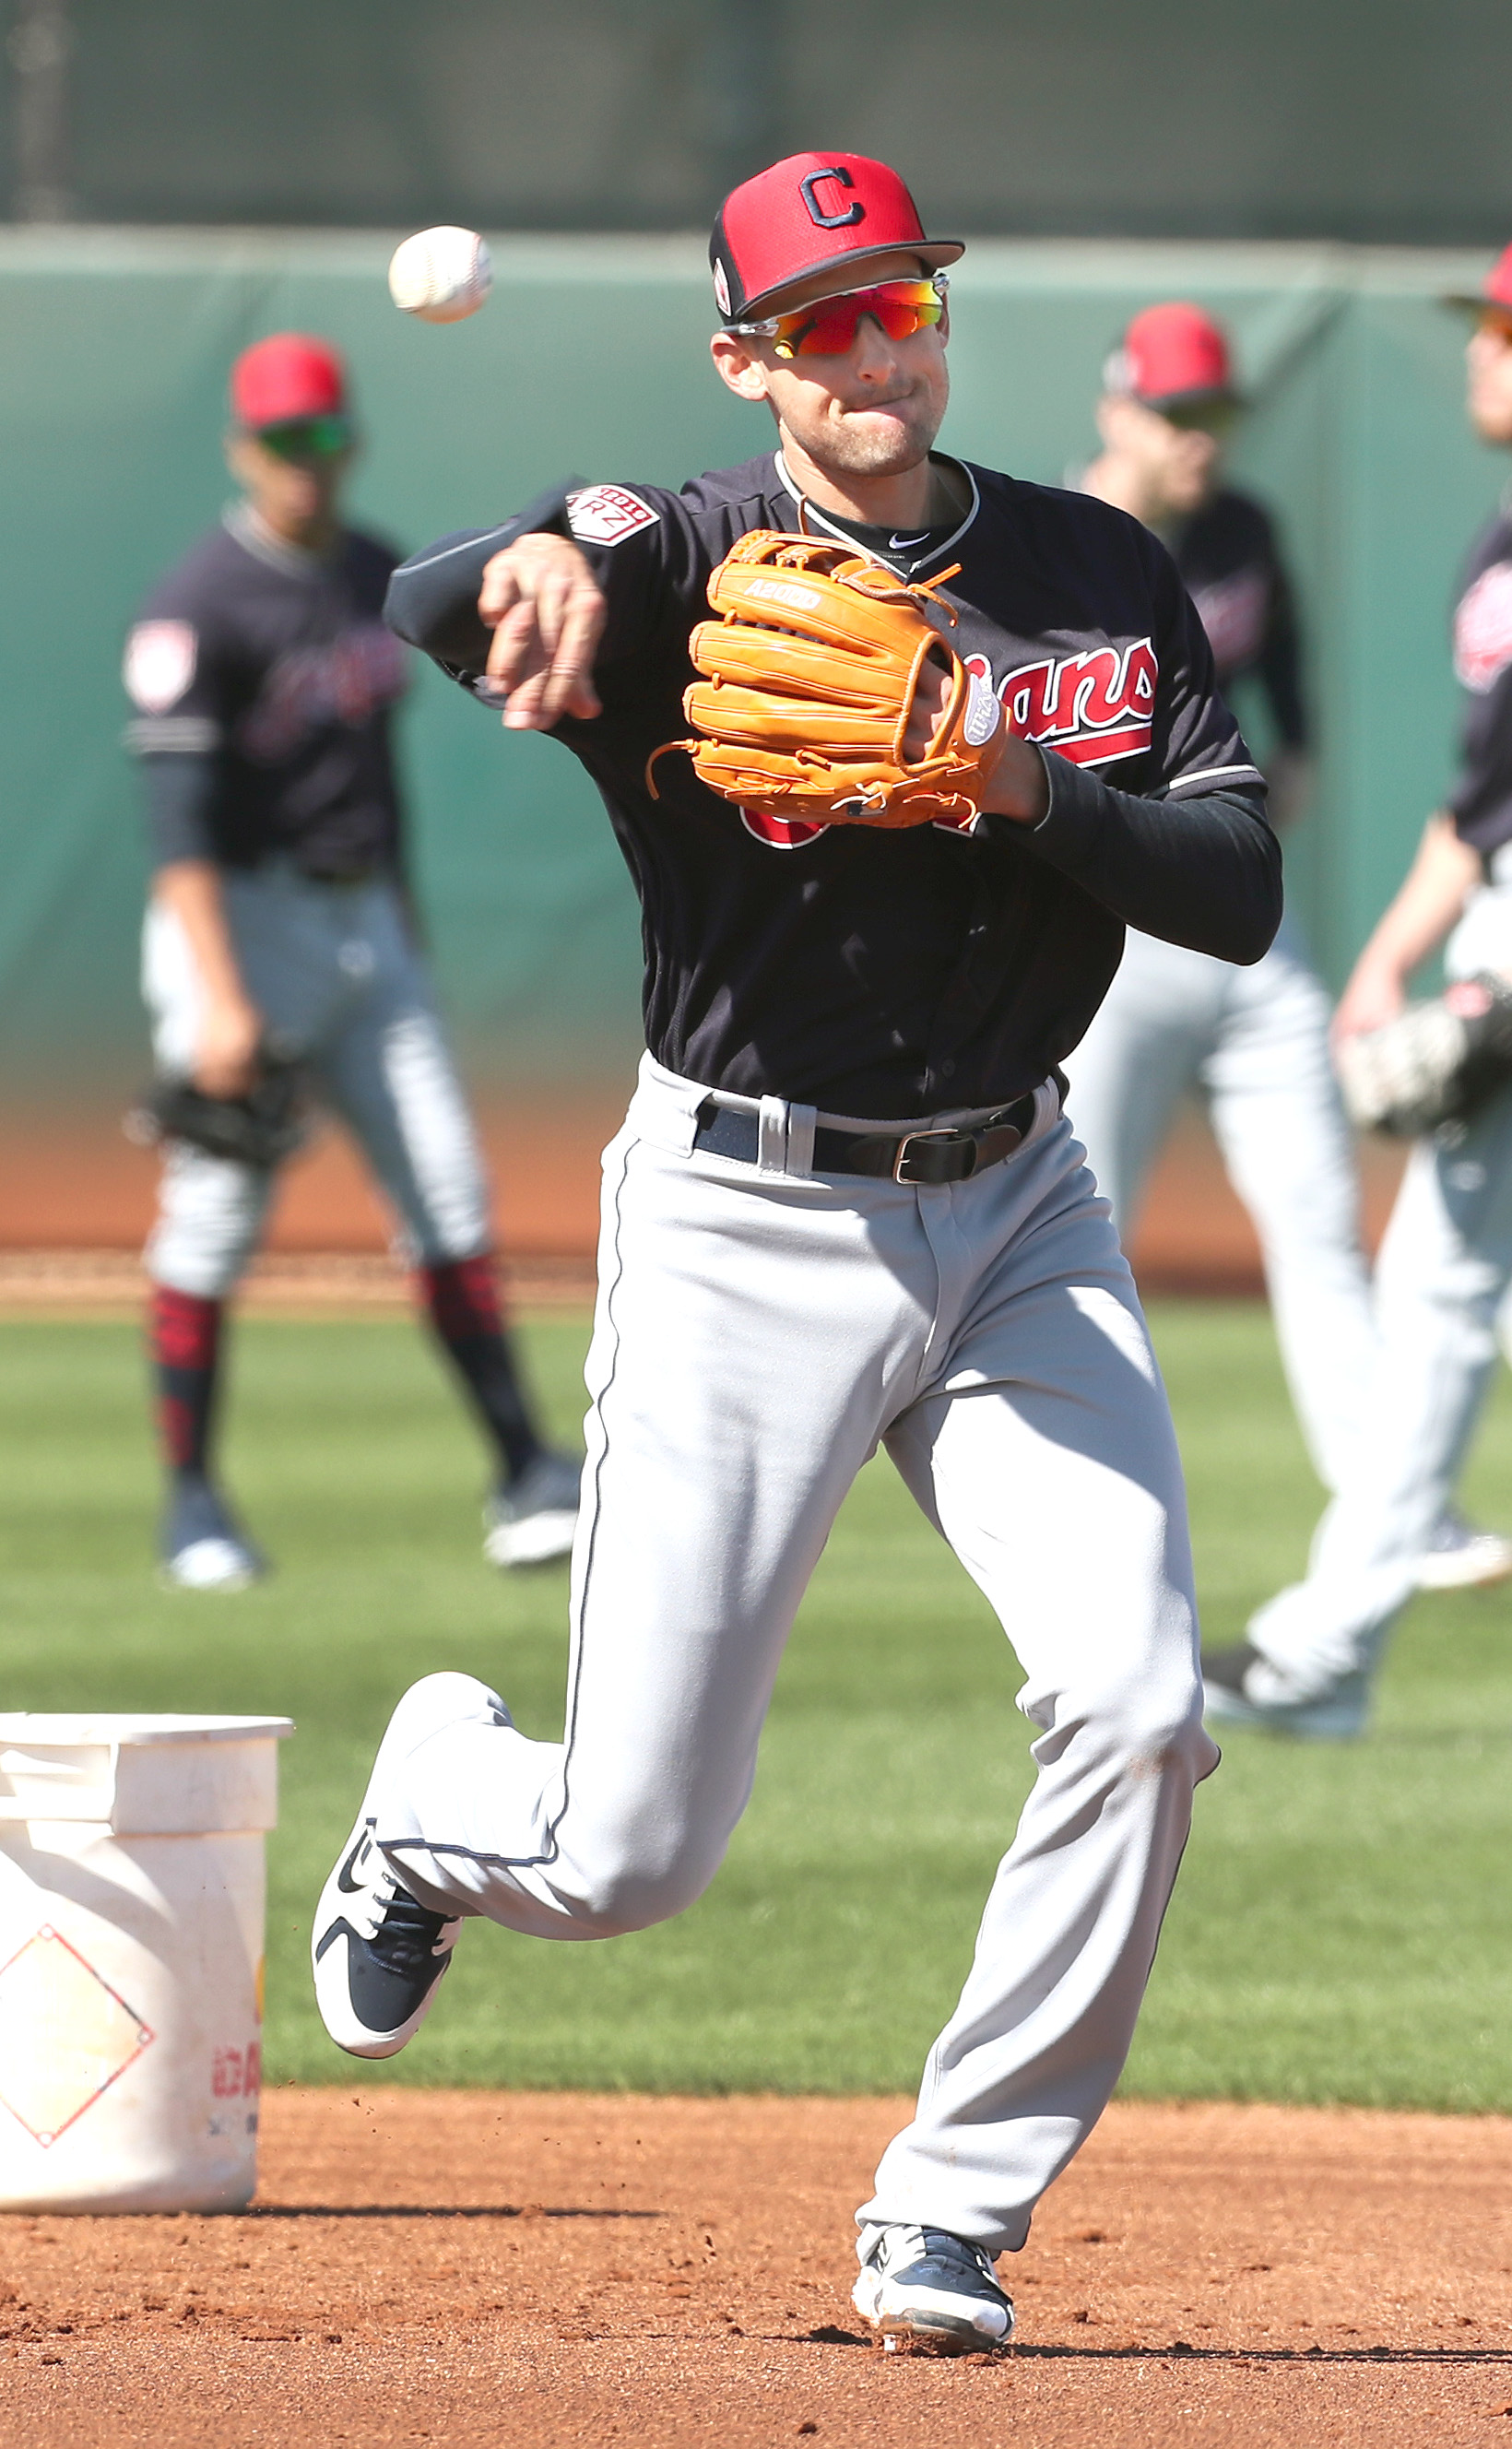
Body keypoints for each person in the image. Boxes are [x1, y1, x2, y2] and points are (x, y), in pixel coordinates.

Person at [311, 153, 1280, 2352]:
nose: (879, 347)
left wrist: (1015, 781)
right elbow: (436, 599)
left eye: (902, 300)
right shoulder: (694, 554)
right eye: (823, 320)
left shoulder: (1089, 569)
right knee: (628, 1856)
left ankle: (950, 2200)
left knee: (1139, 1703)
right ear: (745, 357)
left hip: (1021, 1206)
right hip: (751, 1210)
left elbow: (1231, 878)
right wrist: (564, 545)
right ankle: (437, 1802)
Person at [124, 333, 581, 1591]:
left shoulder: (377, 572)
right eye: (283, 444)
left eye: (323, 439)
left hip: (367, 921)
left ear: (350, 441)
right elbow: (180, 836)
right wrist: (217, 1001)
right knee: (215, 1218)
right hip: (243, 927)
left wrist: (406, 928)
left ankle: (524, 1473)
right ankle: (193, 1503)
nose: (306, 465)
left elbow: (377, 785)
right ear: (242, 450)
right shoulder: (198, 605)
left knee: (450, 1196)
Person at [1067, 303, 1511, 1591]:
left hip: (1244, 929)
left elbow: (1293, 656)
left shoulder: (1245, 531)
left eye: (1216, 417)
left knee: (1320, 1217)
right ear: (1118, 412)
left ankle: (1396, 1514)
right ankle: (1066, 1506)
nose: (1201, 441)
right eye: (1176, 416)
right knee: (1073, 1225)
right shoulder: (1053, 546)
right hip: (1110, 936)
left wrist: (1300, 749)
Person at [1202, 241, 1512, 1737]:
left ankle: (1326, 1657)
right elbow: (1483, 802)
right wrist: (1396, 953)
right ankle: (1326, 1653)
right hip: (1493, 910)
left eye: (1505, 332)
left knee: (1442, 1295)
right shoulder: (1495, 543)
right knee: (1439, 1294)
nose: (1481, 354)